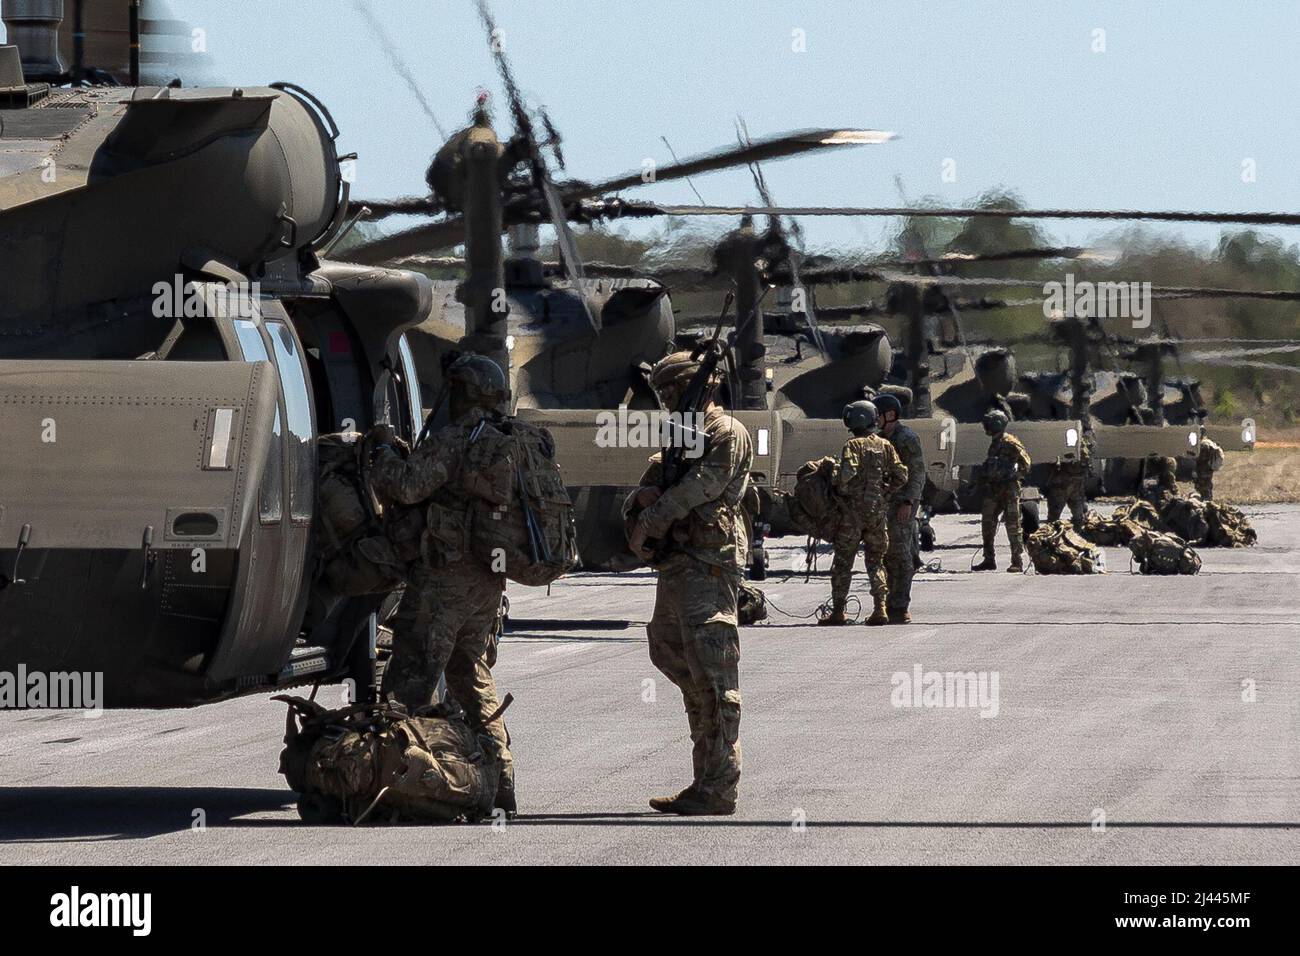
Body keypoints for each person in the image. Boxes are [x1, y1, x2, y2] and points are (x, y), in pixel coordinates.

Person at [365, 353, 516, 816]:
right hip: (488, 583)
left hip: (445, 581)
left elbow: (408, 486)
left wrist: (382, 450)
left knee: (408, 681)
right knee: (470, 675)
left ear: (464, 392)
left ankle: (401, 787)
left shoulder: (457, 439)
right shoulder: (512, 442)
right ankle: (502, 779)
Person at [625, 350, 753, 816]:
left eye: (674, 392)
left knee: (714, 673)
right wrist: (640, 503)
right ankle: (705, 776)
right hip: (679, 565)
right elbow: (654, 483)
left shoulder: (725, 432)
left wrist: (651, 522)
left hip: (709, 562)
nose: (667, 401)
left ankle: (718, 786)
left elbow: (703, 486)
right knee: (671, 653)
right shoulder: (681, 440)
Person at [823, 400, 908, 626]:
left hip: (851, 514)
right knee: (876, 562)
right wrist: (886, 491)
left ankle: (839, 611)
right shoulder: (885, 445)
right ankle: (880, 608)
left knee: (843, 563)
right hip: (877, 513)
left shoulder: (852, 446)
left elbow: (846, 475)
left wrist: (836, 482)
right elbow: (901, 475)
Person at [873, 394, 925, 624]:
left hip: (902, 504)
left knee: (902, 555)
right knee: (886, 554)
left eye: (878, 414)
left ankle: (901, 606)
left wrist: (908, 502)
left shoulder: (906, 438)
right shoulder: (881, 438)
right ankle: (888, 604)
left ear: (890, 415)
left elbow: (917, 473)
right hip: (886, 503)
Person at [973, 409, 1031, 573]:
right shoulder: (995, 442)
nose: (986, 426)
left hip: (1009, 490)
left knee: (1013, 525)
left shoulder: (1010, 442)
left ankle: (1017, 561)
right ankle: (989, 559)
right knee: (987, 524)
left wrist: (1013, 475)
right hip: (993, 489)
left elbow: (1026, 463)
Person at [1046, 429, 1093, 525]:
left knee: (1076, 518)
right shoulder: (1081, 447)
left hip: (1068, 487)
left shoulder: (1080, 448)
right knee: (1056, 519)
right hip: (1067, 487)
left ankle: (1075, 537)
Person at [1193, 430, 1224, 499]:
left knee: (1203, 485)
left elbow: (1202, 459)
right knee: (1207, 484)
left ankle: (1206, 500)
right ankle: (1208, 499)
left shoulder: (1203, 445)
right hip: (1208, 468)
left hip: (1203, 468)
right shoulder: (1209, 442)